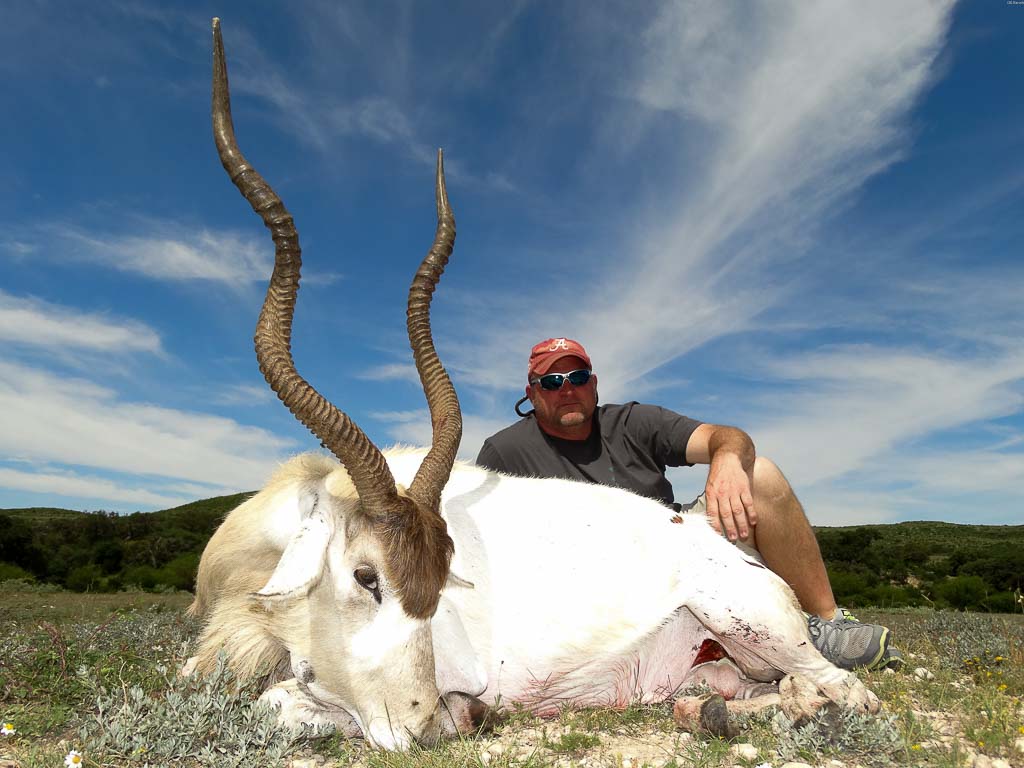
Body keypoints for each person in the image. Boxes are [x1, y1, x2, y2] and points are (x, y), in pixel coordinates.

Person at [475, 337, 894, 671]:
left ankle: (827, 621)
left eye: (578, 376)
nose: (567, 389)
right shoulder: (503, 453)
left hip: (680, 549)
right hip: (592, 585)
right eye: (551, 382)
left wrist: (727, 458)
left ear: (594, 383)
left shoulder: (632, 422)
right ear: (532, 393)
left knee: (760, 473)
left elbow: (725, 436)